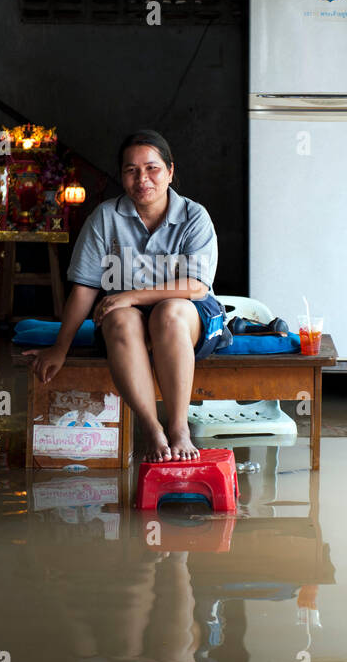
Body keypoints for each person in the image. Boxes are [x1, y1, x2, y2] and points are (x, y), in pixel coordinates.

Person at [21, 129, 228, 462]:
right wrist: (61, 346)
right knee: (117, 318)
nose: (142, 178)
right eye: (131, 170)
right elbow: (85, 287)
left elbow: (196, 286)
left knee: (169, 312)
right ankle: (152, 429)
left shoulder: (194, 217)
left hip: (187, 321)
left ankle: (178, 429)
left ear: (170, 171)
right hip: (126, 324)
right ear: (122, 176)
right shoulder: (105, 218)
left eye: (152, 168)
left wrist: (130, 295)